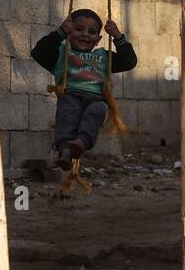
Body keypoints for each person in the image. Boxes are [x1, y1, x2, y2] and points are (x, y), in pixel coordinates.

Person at [30, 9, 137, 169]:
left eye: (91, 32)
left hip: (96, 99)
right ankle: (65, 153)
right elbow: (38, 52)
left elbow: (129, 61)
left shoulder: (103, 57)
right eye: (78, 29)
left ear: (98, 39)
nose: (85, 34)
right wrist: (60, 32)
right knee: (67, 116)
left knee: (97, 111)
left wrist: (117, 36)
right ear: (69, 32)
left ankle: (79, 143)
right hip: (70, 96)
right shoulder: (62, 55)